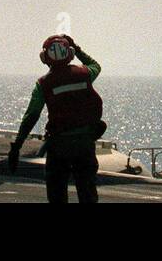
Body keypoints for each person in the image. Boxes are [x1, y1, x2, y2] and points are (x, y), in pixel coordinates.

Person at [7, 34, 106, 203]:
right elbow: (96, 65)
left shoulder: (43, 84)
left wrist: (17, 146)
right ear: (70, 53)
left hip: (59, 145)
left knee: (57, 193)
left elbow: (31, 115)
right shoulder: (85, 73)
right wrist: (78, 49)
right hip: (84, 143)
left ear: (44, 58)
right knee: (87, 192)